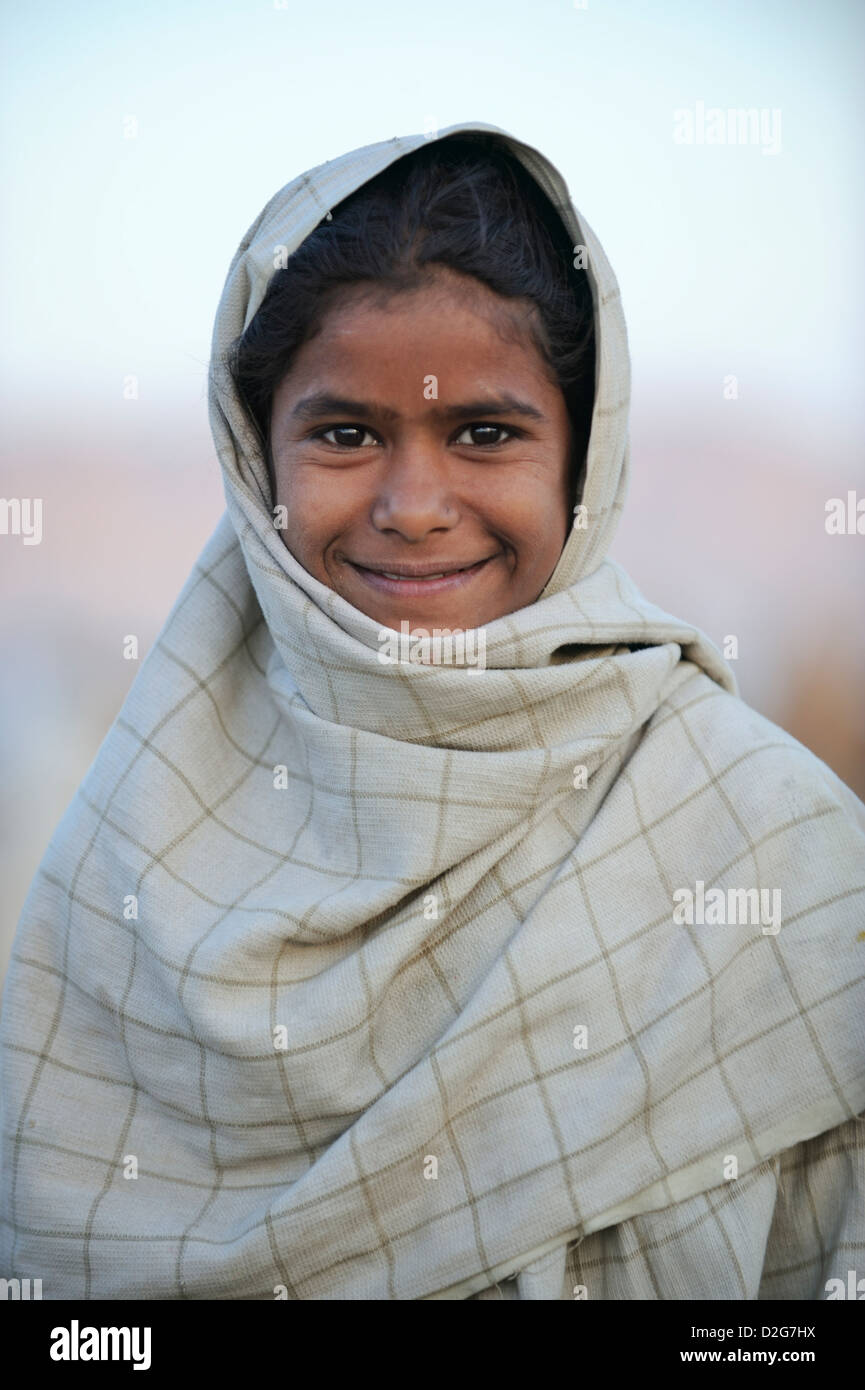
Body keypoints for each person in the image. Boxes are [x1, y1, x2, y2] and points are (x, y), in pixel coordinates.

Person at [1, 120, 863, 1301]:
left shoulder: (771, 843)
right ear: (258, 463)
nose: (413, 504)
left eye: (486, 434)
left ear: (582, 458)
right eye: (346, 433)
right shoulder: (131, 853)